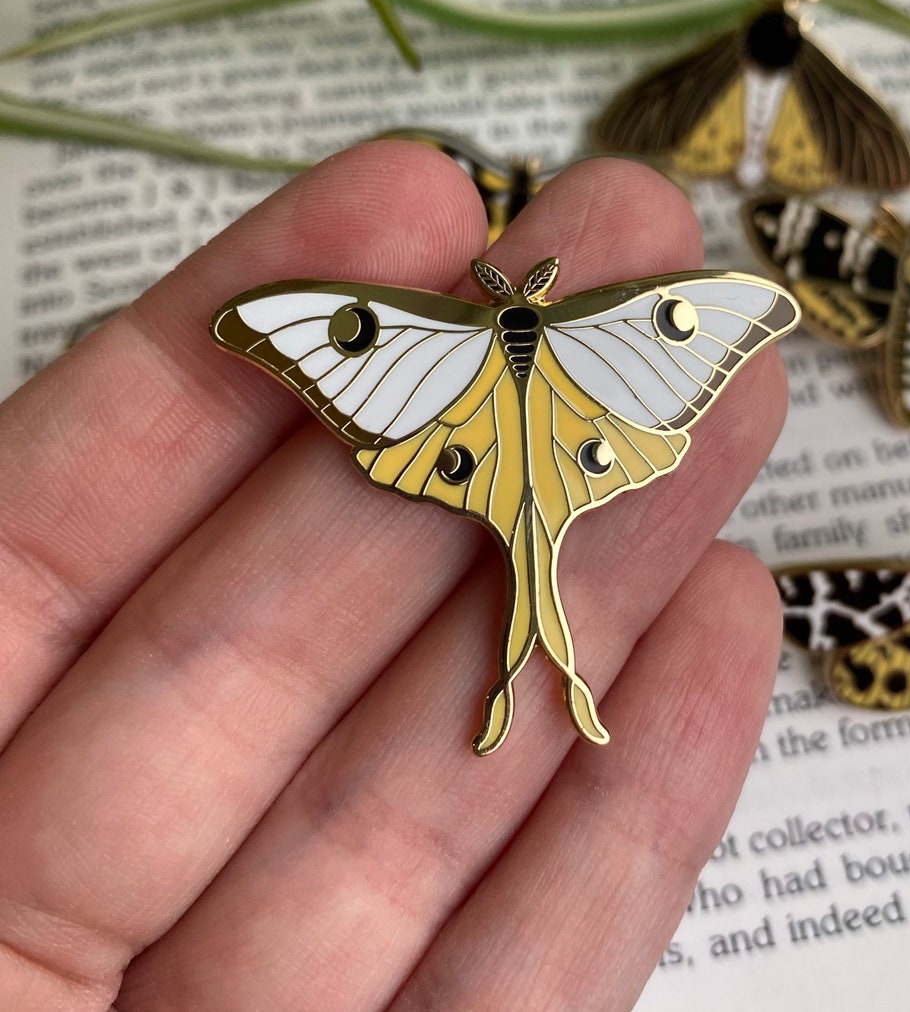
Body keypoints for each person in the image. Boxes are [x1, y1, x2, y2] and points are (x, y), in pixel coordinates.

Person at [0, 142, 785, 1009]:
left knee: (534, 549)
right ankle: (556, 681)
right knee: (540, 547)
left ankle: (519, 687)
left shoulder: (464, 324)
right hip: (568, 425)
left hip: (473, 428)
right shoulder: (558, 318)